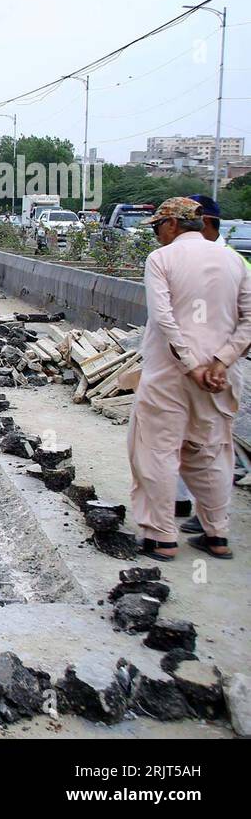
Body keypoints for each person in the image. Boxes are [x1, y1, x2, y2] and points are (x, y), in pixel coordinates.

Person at [128, 197, 251, 561]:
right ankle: (217, 535)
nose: (156, 235)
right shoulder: (233, 260)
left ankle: (162, 537)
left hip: (171, 374)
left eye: (156, 228)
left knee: (156, 451)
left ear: (171, 226)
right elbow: (248, 320)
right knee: (211, 452)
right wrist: (221, 361)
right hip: (221, 377)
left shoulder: (161, 260)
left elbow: (165, 319)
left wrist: (191, 363)